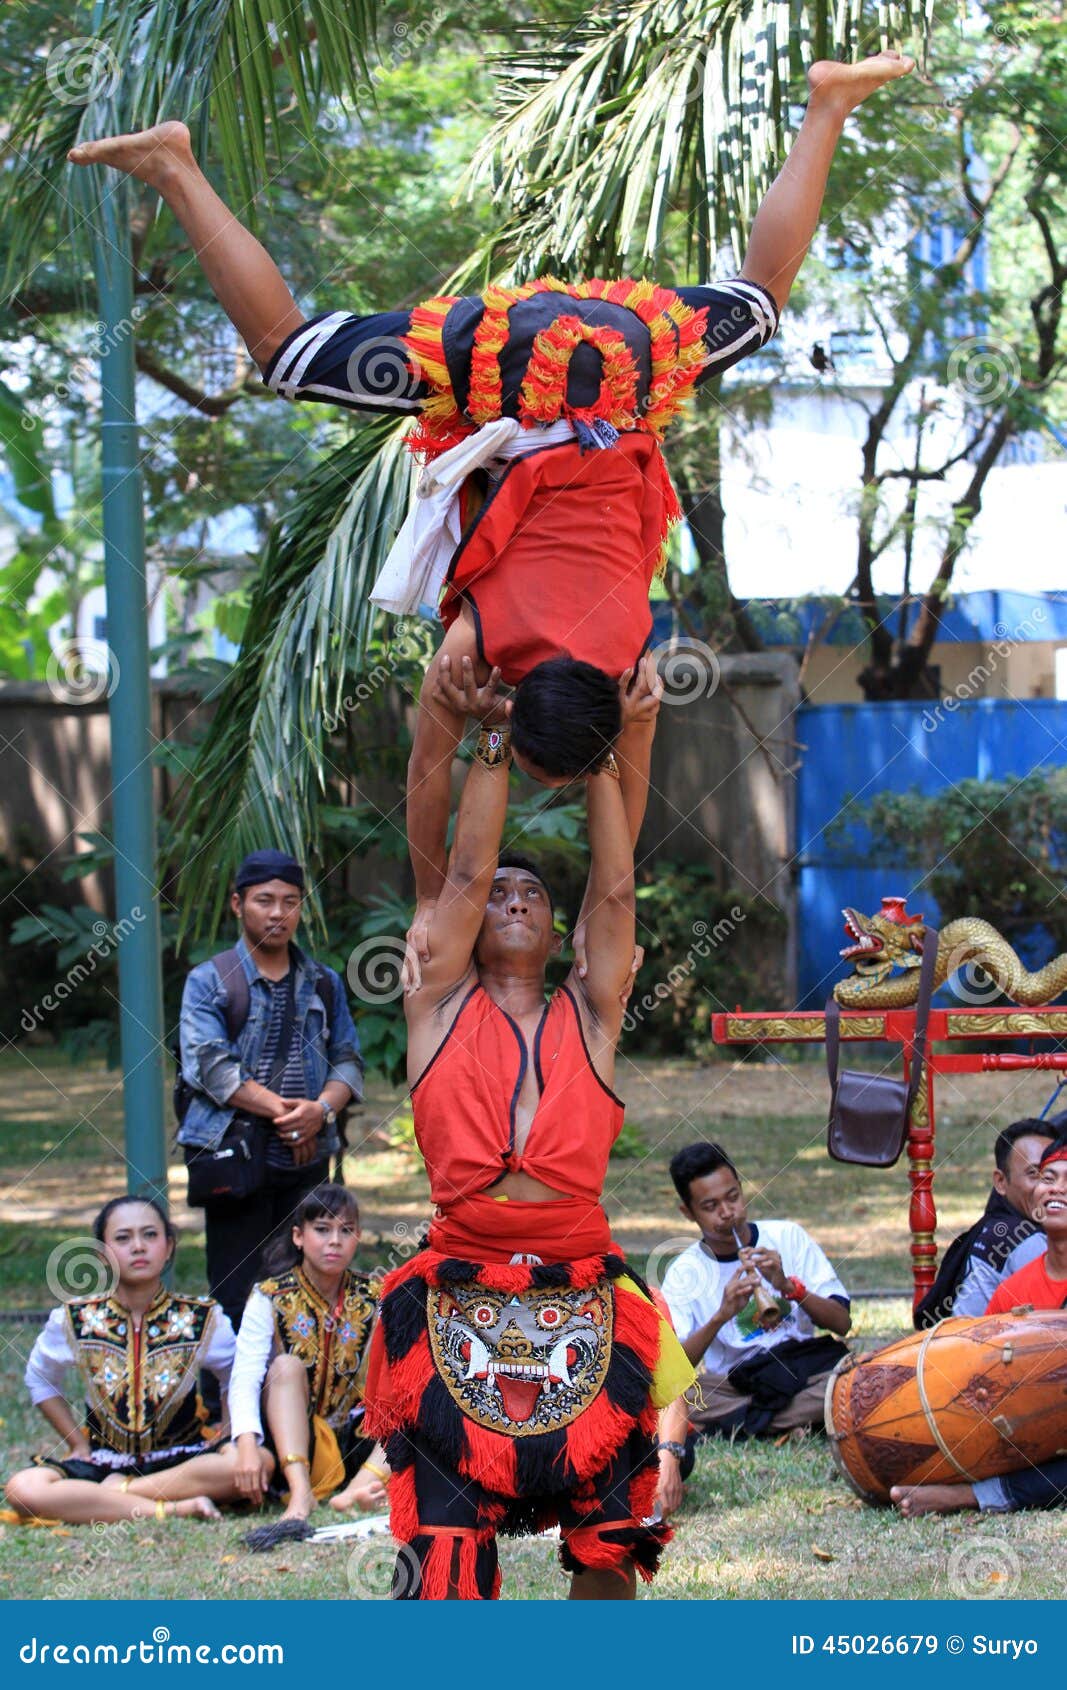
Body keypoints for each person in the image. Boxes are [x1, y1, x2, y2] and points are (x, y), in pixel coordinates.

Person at [67, 51, 915, 925]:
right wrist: (435, 901)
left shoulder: (631, 664)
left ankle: (826, 105)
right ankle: (174, 166)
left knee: (761, 300)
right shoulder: (477, 652)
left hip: (622, 359)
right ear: (516, 712)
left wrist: (624, 733)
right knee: (286, 352)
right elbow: (425, 779)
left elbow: (621, 772)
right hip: (503, 371)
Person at [361, 655, 694, 1600]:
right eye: (499, 896)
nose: (509, 899)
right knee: (445, 1550)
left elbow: (617, 889)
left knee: (608, 1541)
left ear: (559, 934)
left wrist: (607, 748)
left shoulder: (592, 1013)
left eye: (531, 897)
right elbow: (464, 866)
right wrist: (498, 733)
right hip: (455, 1293)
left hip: (584, 1292)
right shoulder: (433, 997)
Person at [178, 850, 363, 1357]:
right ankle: (237, 1420)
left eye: (290, 901)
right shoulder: (210, 980)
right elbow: (210, 1069)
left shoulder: (324, 981)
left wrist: (320, 1110)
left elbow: (348, 1061)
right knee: (237, 1289)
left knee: (305, 1284)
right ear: (238, 904)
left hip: (306, 1157)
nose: (278, 913)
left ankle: (302, 1405)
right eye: (264, 901)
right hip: (233, 1158)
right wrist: (292, 1112)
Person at [4, 1197, 270, 1524]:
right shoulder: (74, 1319)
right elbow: (39, 1378)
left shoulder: (202, 1316)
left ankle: (116, 1496)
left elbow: (236, 1376)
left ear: (169, 1246)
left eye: (150, 1235)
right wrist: (76, 1443)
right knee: (23, 1488)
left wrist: (228, 1434)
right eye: (122, 1238)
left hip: (185, 1460)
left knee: (259, 1461)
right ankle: (170, 1507)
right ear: (102, 1254)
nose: (138, 1247)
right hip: (104, 1461)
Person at [893, 1137, 1067, 1518]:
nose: (1057, 1188)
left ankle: (964, 1497)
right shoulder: (1013, 1291)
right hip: (1032, 1432)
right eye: (1048, 1177)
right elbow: (981, 1373)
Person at [227, 1184, 387, 1550]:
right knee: (285, 1366)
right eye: (322, 1229)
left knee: (415, 1385)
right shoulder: (270, 1295)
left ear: (358, 1237)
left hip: (356, 1439)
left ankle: (360, 1487)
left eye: (346, 1230)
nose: (335, 1241)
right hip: (294, 1444)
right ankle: (301, 1494)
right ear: (298, 1236)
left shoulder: (376, 1294)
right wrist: (247, 1445)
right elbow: (245, 1377)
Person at [662, 1142, 851, 1443]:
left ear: (741, 1188)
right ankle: (800, 1418)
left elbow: (842, 1323)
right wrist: (721, 1316)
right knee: (679, 1398)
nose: (727, 1213)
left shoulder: (788, 1235)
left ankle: (752, 1424)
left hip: (803, 1369)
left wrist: (788, 1287)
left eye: (733, 1197)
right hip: (737, 1383)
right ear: (688, 1212)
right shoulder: (684, 1272)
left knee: (863, 1376)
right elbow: (675, 1369)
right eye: (710, 1207)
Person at [913, 1117, 1054, 1326]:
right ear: (1000, 1182)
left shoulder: (998, 1226)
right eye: (1034, 1173)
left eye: (1052, 1174)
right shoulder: (1026, 1241)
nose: (1047, 1187)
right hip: (976, 1353)